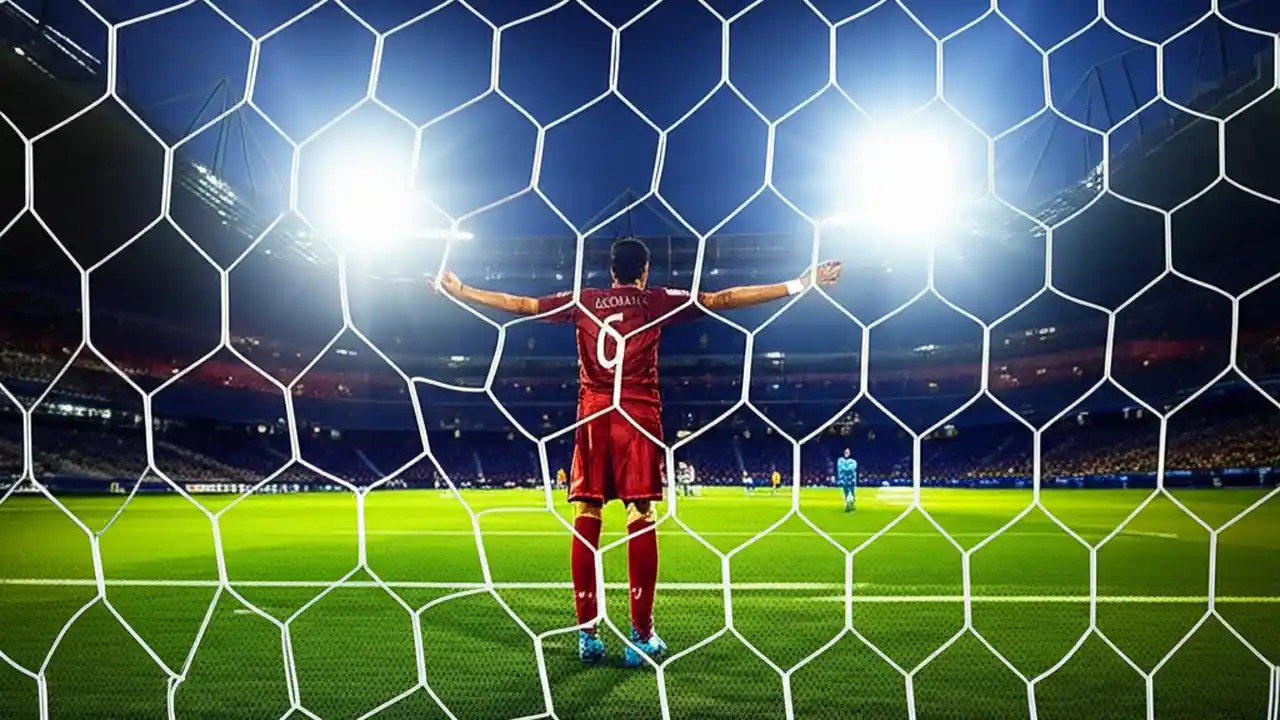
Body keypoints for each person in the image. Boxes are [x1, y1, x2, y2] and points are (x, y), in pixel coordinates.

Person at [436, 238, 842, 666]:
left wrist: (462, 290)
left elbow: (522, 304)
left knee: (587, 515)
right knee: (640, 515)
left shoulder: (584, 300)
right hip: (637, 416)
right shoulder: (655, 300)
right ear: (643, 270)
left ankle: (587, 634)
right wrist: (800, 283)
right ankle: (640, 636)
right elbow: (720, 298)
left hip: (592, 416)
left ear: (610, 270)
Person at [837, 448, 858, 512]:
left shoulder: (853, 461)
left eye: (847, 452)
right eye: (845, 452)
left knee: (852, 493)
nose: (846, 453)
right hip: (844, 480)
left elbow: (851, 469)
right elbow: (840, 468)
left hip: (851, 480)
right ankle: (847, 505)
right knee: (845, 493)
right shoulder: (840, 460)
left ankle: (853, 505)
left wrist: (845, 468)